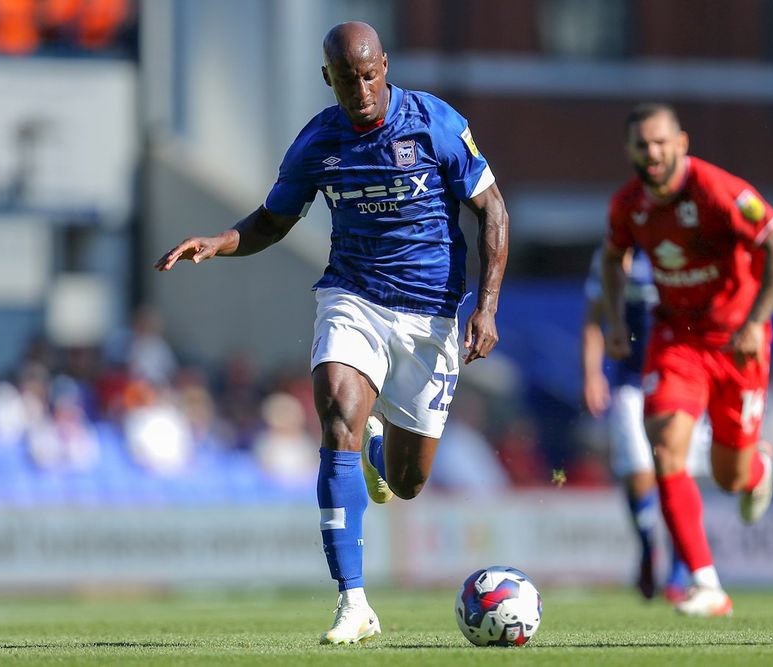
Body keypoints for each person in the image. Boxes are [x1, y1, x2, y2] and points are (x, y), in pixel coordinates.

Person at [155, 21, 509, 644]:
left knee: (408, 482)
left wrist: (487, 307)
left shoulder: (434, 124)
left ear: (385, 66)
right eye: (347, 80)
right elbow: (273, 221)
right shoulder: (318, 142)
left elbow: (492, 210)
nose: (361, 90)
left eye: (369, 76)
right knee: (336, 412)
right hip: (354, 297)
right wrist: (221, 240)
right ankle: (354, 602)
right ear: (328, 78)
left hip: (430, 314)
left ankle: (378, 455)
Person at [602, 103, 773, 617]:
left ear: (681, 143)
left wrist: (755, 322)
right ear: (629, 151)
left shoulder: (719, 191)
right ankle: (706, 583)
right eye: (642, 145)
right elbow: (613, 257)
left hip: (737, 343)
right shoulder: (627, 205)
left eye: (660, 142)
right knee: (666, 447)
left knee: (731, 476)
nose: (652, 153)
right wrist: (615, 321)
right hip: (677, 339)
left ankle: (756, 468)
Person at [581, 245, 711, 603]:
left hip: (682, 379)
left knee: (678, 473)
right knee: (639, 473)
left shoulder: (684, 244)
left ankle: (680, 567)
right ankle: (647, 546)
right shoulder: (612, 254)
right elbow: (594, 319)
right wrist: (592, 374)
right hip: (632, 382)